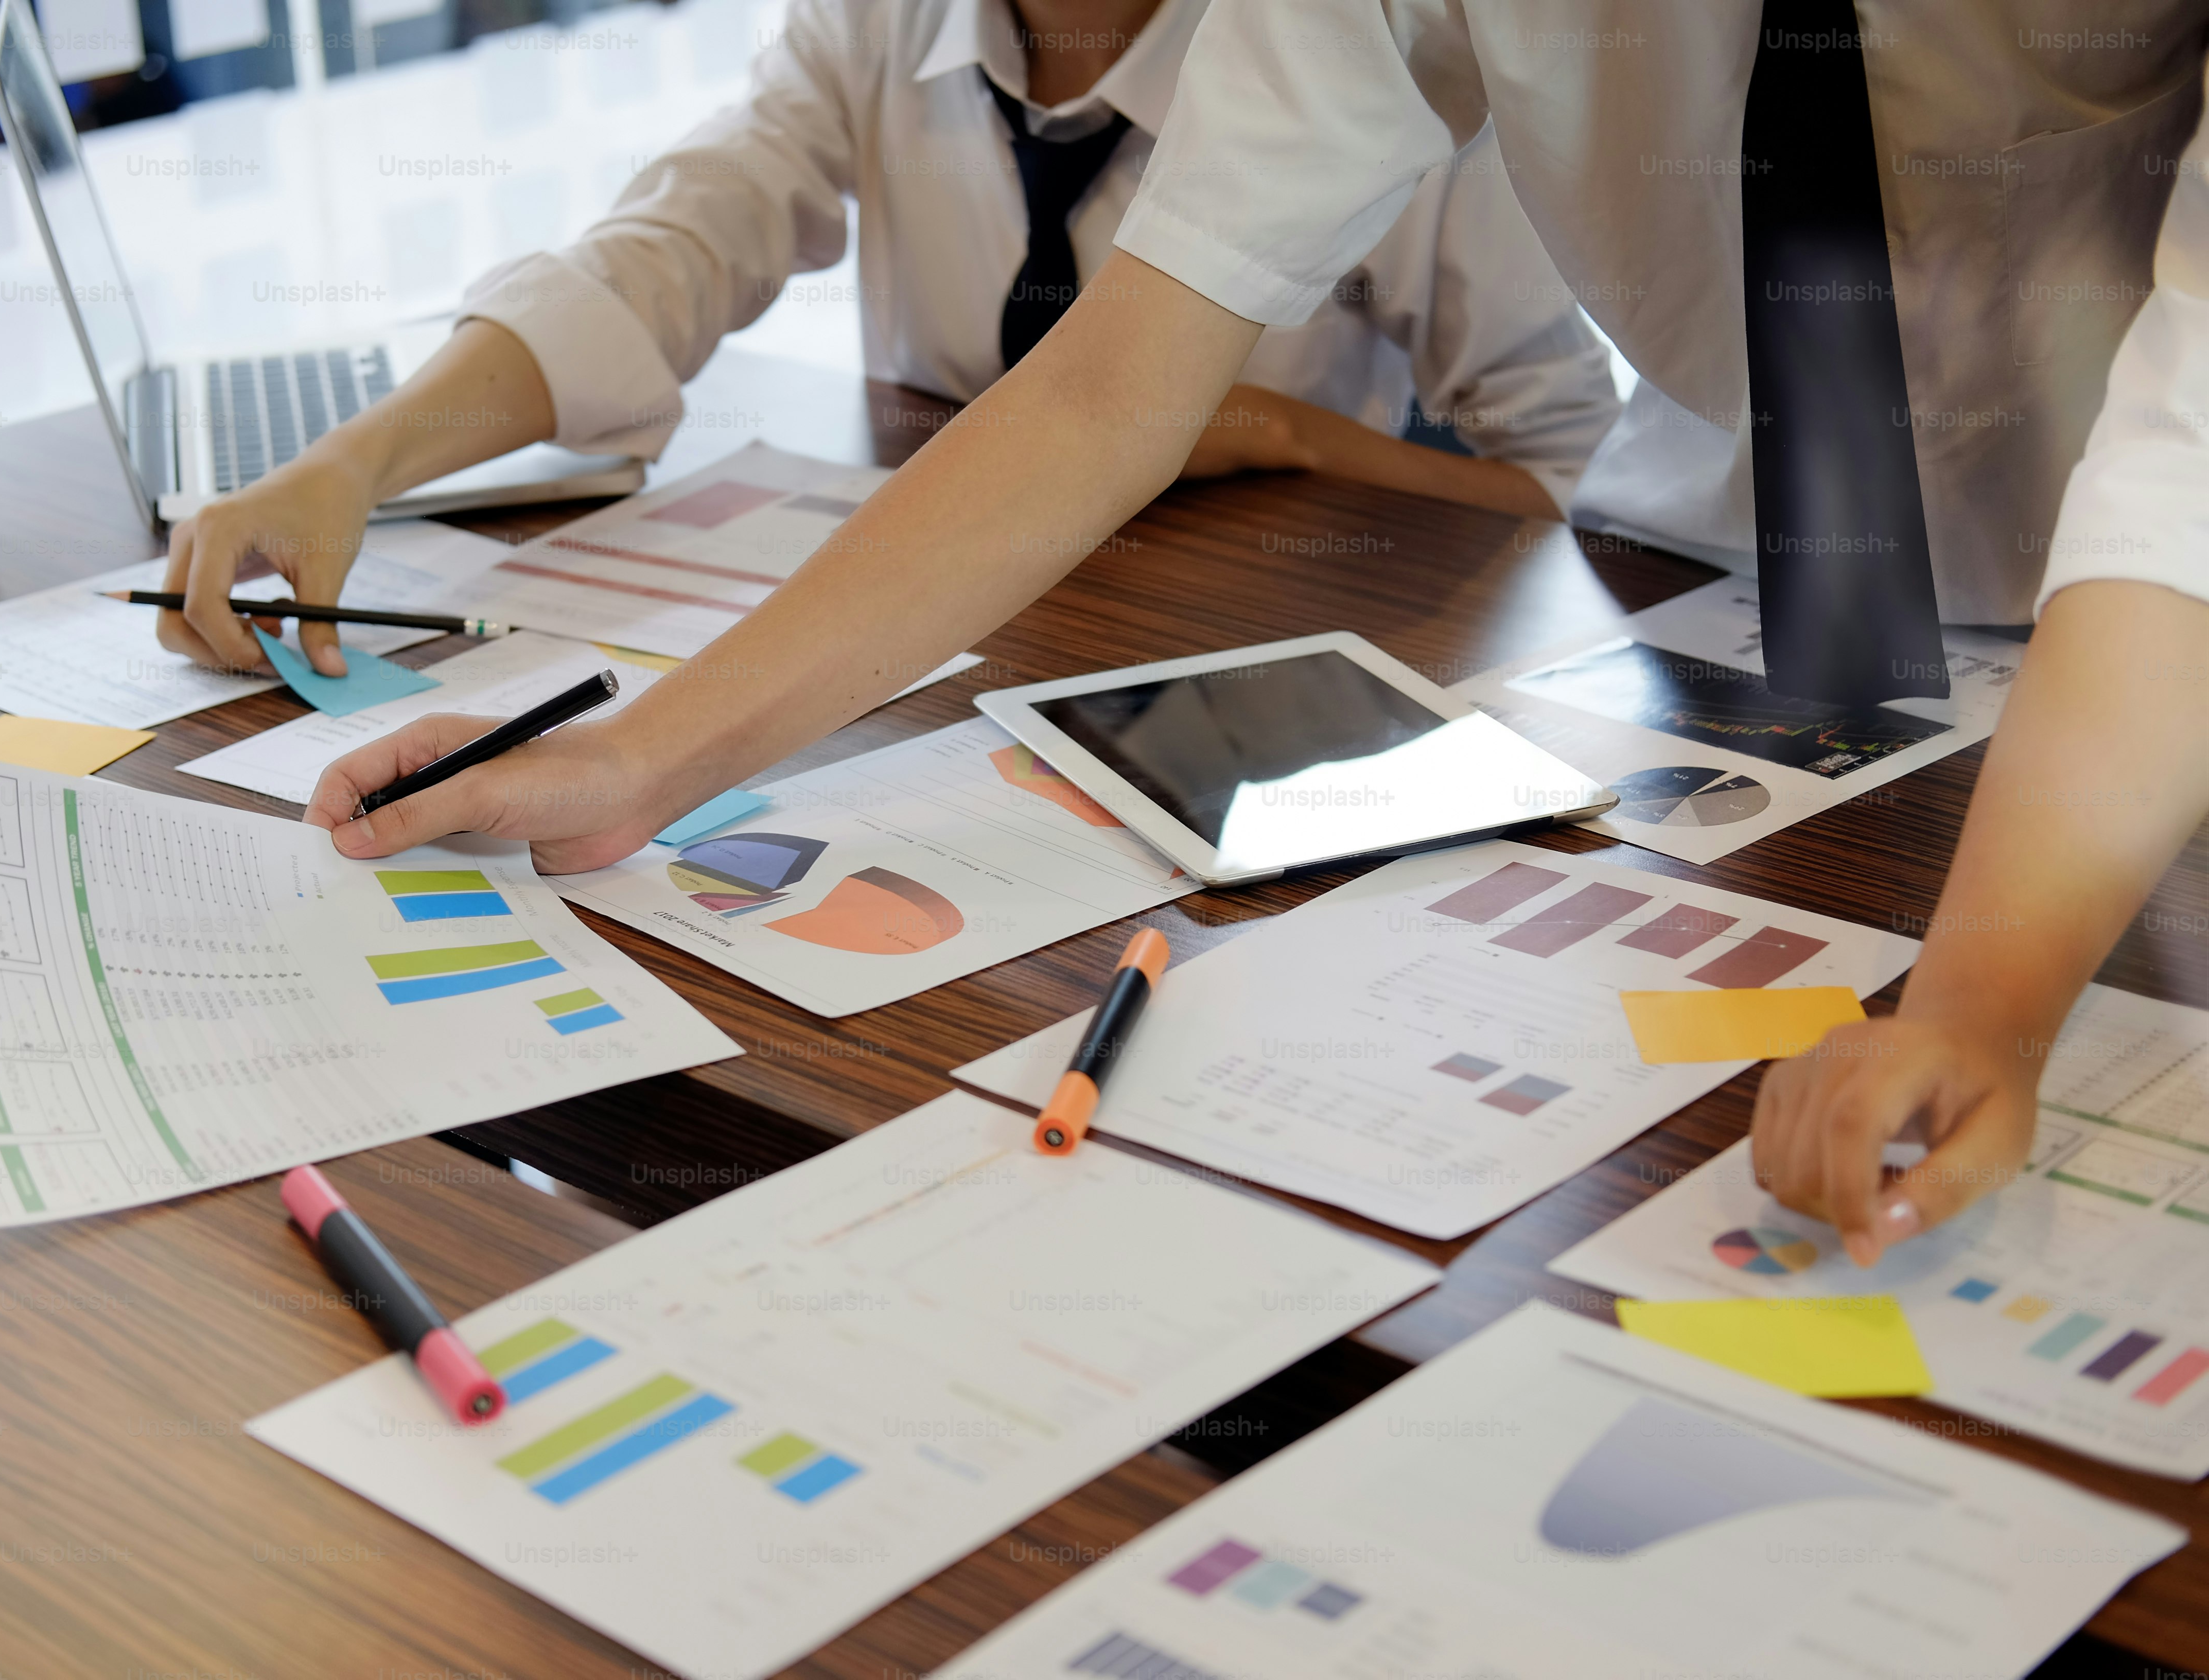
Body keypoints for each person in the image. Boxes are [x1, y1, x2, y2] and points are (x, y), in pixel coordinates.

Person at [321, 3, 2202, 1269]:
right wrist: (647, 758)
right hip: (1707, 572)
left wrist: (1977, 1003)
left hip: (2155, 648)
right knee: (1586, 1228)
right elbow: (1121, 375)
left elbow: (2183, 466)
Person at [155, 0, 1621, 679]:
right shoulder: (877, 24)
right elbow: (662, 258)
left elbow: (1580, 489)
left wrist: (1296, 436)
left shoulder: (1380, 57)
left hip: (1224, 669)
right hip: (924, 644)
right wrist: (354, 464)